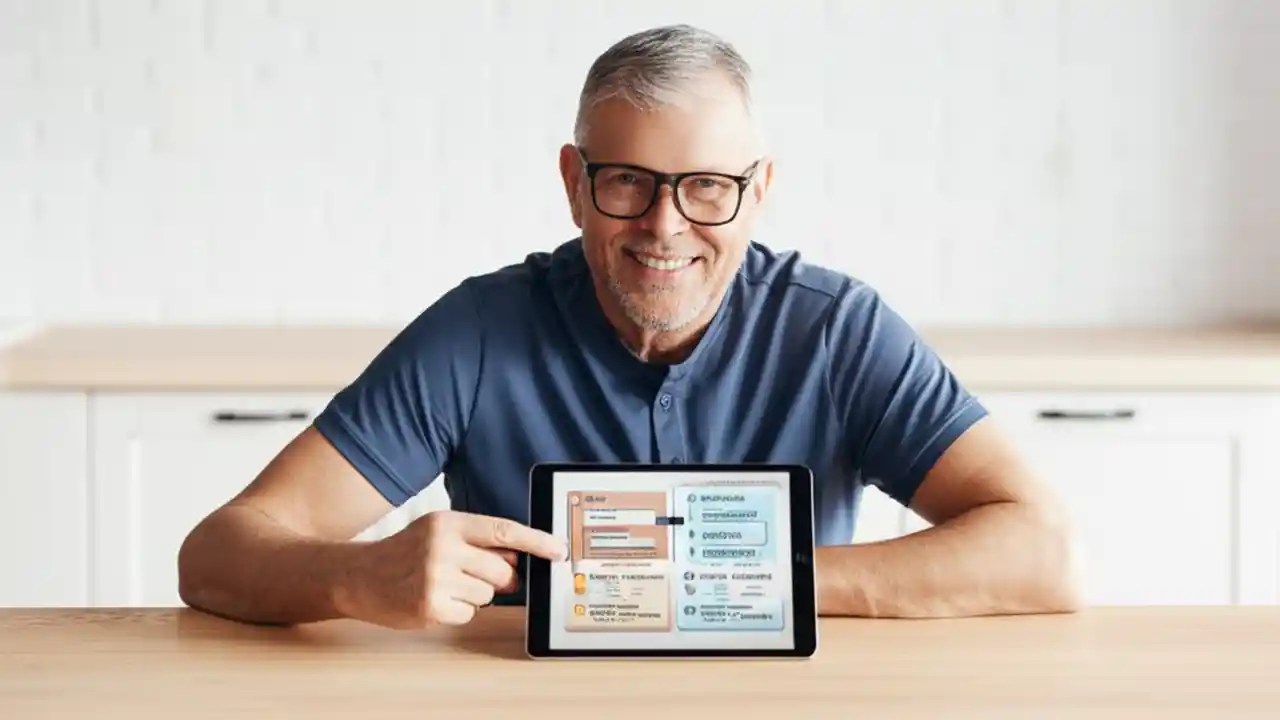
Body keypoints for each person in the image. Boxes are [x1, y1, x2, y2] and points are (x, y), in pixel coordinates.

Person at [178, 24, 1082, 628]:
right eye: (627, 182)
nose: (664, 224)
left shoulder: (837, 331)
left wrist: (735, 588)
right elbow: (217, 553)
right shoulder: (479, 333)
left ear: (757, 192)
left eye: (708, 187)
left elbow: (1044, 551)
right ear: (575, 183)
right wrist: (356, 577)